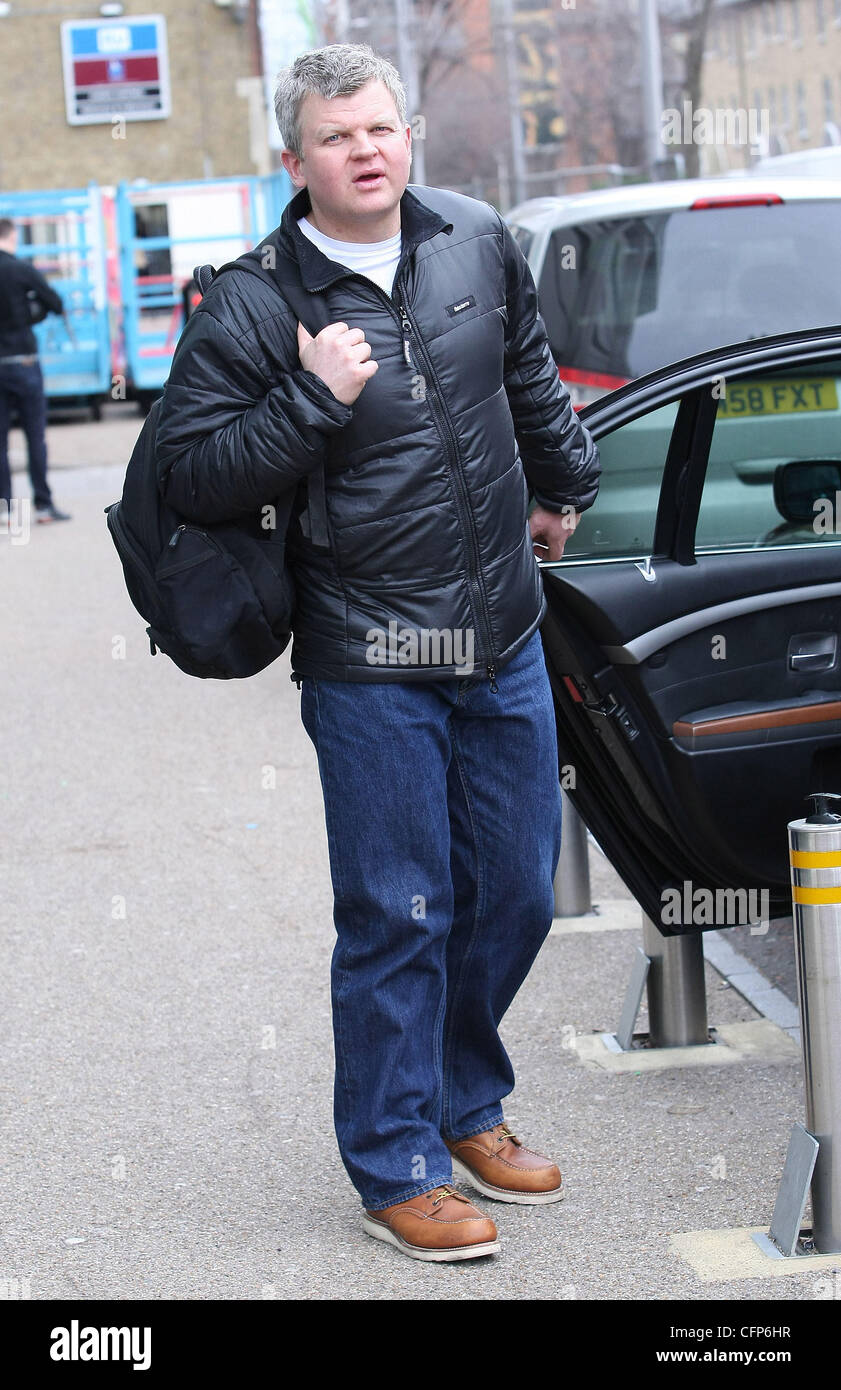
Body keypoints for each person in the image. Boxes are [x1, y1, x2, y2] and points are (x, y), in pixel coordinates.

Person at [154, 43, 600, 1263]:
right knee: (399, 909)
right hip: (370, 652)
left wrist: (563, 481)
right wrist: (309, 402)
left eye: (382, 128)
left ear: (409, 139)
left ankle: (465, 1103)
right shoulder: (253, 299)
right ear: (292, 159)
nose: (367, 149)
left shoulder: (473, 236)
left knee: (511, 888)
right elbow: (186, 474)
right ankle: (396, 1158)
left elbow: (523, 370)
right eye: (338, 135)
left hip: (501, 625)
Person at [0, 217, 72, 529]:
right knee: (34, 437)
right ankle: (43, 505)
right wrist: (33, 312)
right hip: (24, 361)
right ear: (11, 236)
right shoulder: (21, 269)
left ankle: (3, 509)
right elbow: (55, 303)